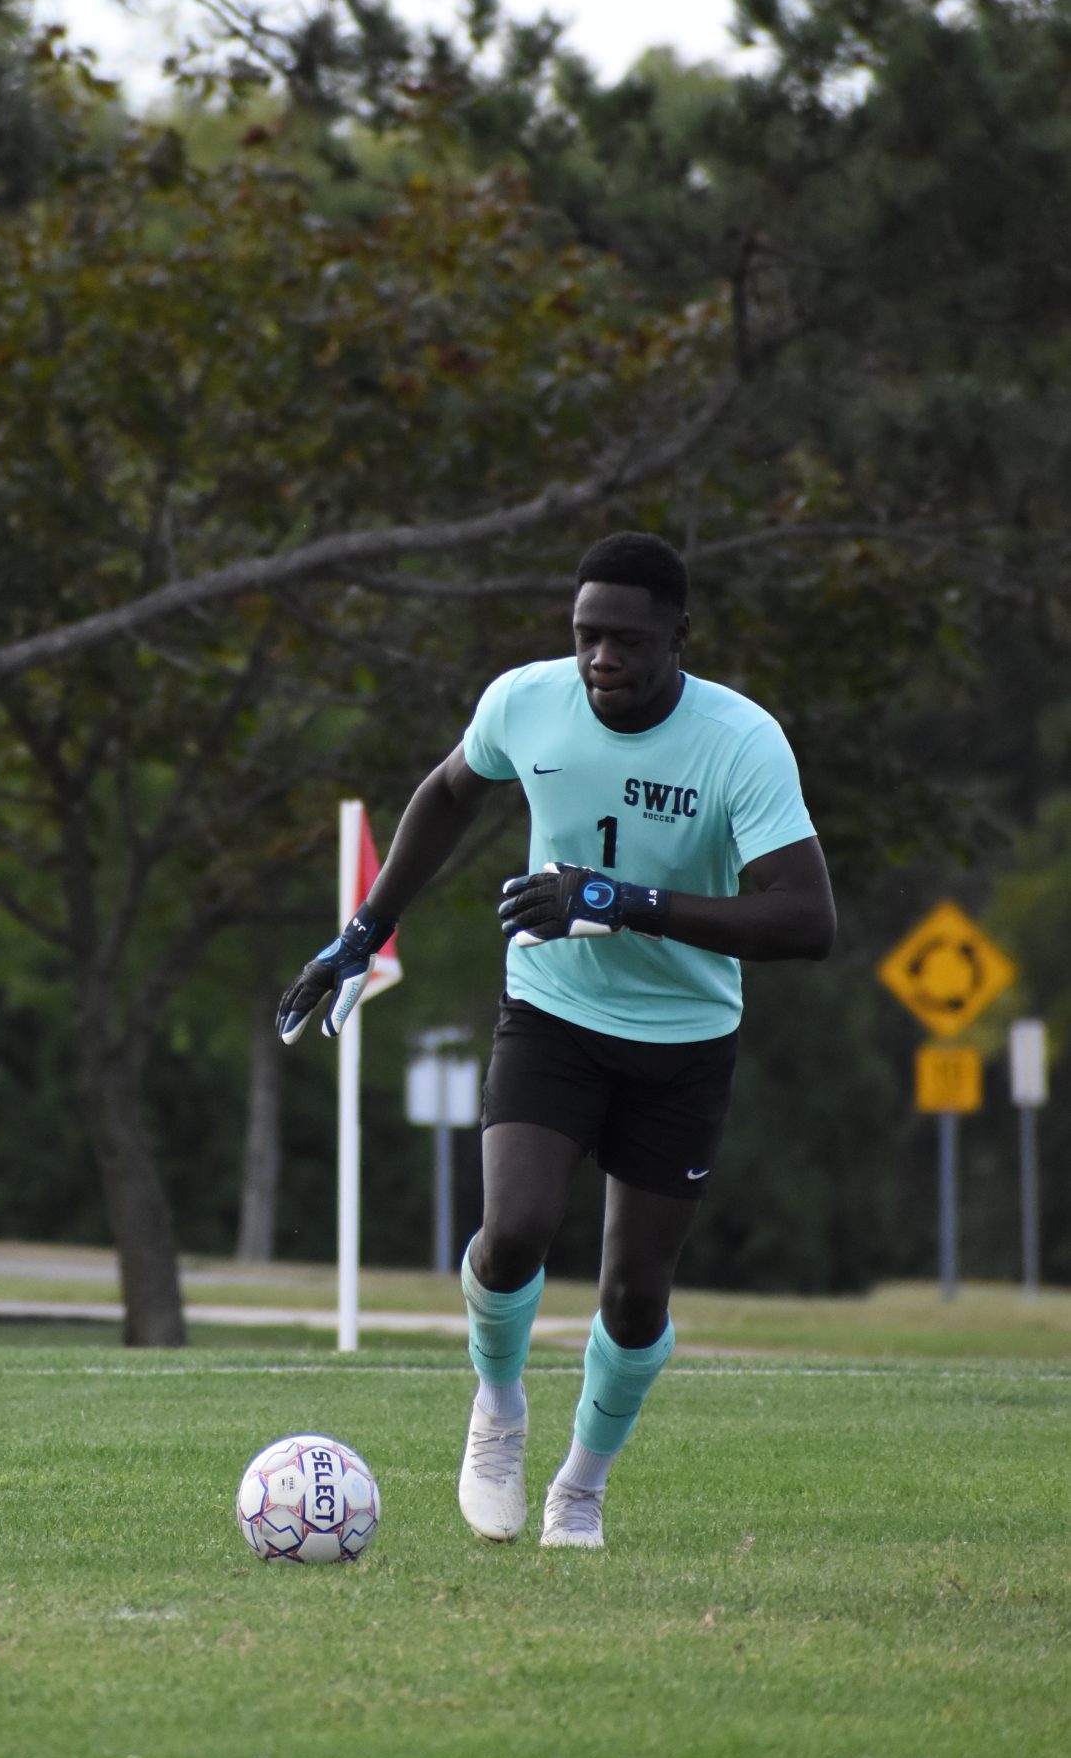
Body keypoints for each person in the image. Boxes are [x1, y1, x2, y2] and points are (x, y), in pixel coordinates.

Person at [276, 531, 836, 1550]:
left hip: (685, 1038)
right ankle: (497, 1409)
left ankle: (580, 1484)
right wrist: (362, 931)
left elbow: (807, 921)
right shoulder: (524, 700)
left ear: (679, 636)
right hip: (552, 1013)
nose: (601, 662)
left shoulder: (740, 740)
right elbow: (449, 792)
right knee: (517, 1228)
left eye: (625, 641)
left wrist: (625, 901)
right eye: (586, 638)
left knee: (633, 1293)